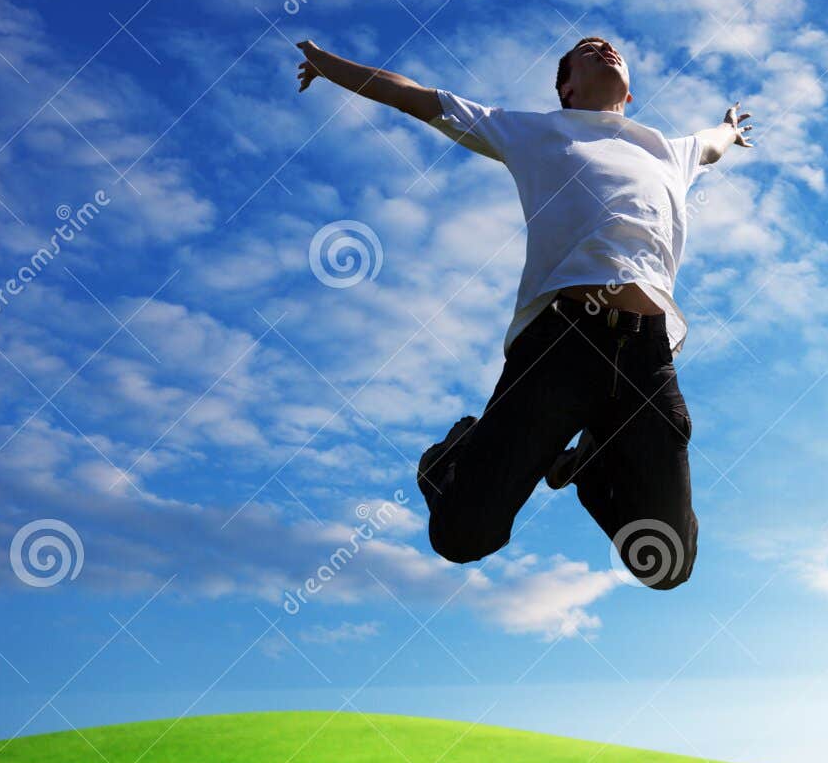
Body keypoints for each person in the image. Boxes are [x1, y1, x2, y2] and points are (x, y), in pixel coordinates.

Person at [294, 35, 751, 589]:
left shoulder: (666, 150)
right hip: (561, 346)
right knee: (463, 536)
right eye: (587, 48)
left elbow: (713, 144)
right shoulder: (532, 132)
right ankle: (449, 460)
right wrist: (329, 65)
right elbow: (415, 99)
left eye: (611, 48)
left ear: (630, 93)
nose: (604, 47)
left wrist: (729, 126)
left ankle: (592, 464)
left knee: (667, 564)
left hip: (646, 355)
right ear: (566, 86)